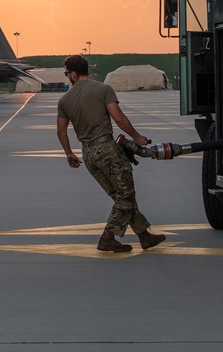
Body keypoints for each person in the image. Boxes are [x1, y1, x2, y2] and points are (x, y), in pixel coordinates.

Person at [56, 55, 165, 252]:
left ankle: (144, 236)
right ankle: (108, 237)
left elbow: (61, 131)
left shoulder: (65, 100)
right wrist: (137, 137)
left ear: (73, 73)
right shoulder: (103, 89)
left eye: (67, 73)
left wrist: (69, 153)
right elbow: (119, 118)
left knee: (120, 196)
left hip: (88, 154)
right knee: (125, 195)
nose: (67, 77)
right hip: (107, 149)